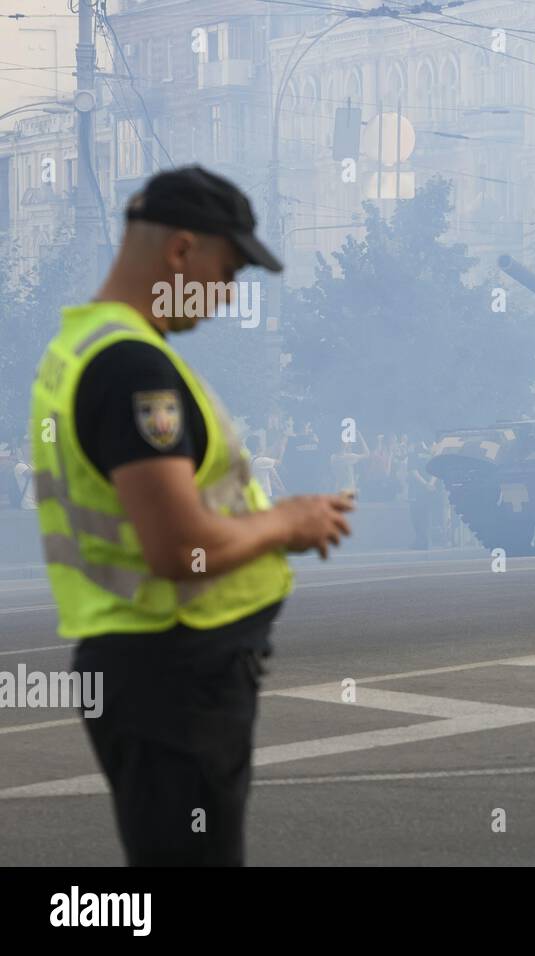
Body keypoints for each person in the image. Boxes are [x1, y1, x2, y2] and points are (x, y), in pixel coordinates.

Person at [28, 165, 353, 866]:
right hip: (173, 672)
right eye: (227, 269)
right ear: (181, 251)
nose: (227, 295)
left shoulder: (80, 350)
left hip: (147, 665)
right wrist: (289, 522)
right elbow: (178, 548)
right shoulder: (133, 370)